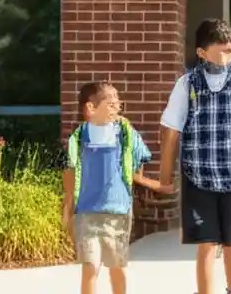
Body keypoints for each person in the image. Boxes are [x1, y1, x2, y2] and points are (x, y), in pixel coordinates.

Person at [158, 18, 231, 294]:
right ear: (201, 52)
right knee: (207, 243)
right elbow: (171, 130)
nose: (228, 51)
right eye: (221, 48)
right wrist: (165, 175)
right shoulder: (187, 84)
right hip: (199, 176)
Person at [62, 81, 166, 294]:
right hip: (87, 213)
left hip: (118, 212)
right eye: (110, 104)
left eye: (118, 103)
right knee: (90, 267)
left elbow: (140, 158)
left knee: (117, 268)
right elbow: (68, 169)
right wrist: (68, 205)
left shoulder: (126, 134)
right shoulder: (77, 138)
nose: (117, 108)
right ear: (90, 108)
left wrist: (142, 182)